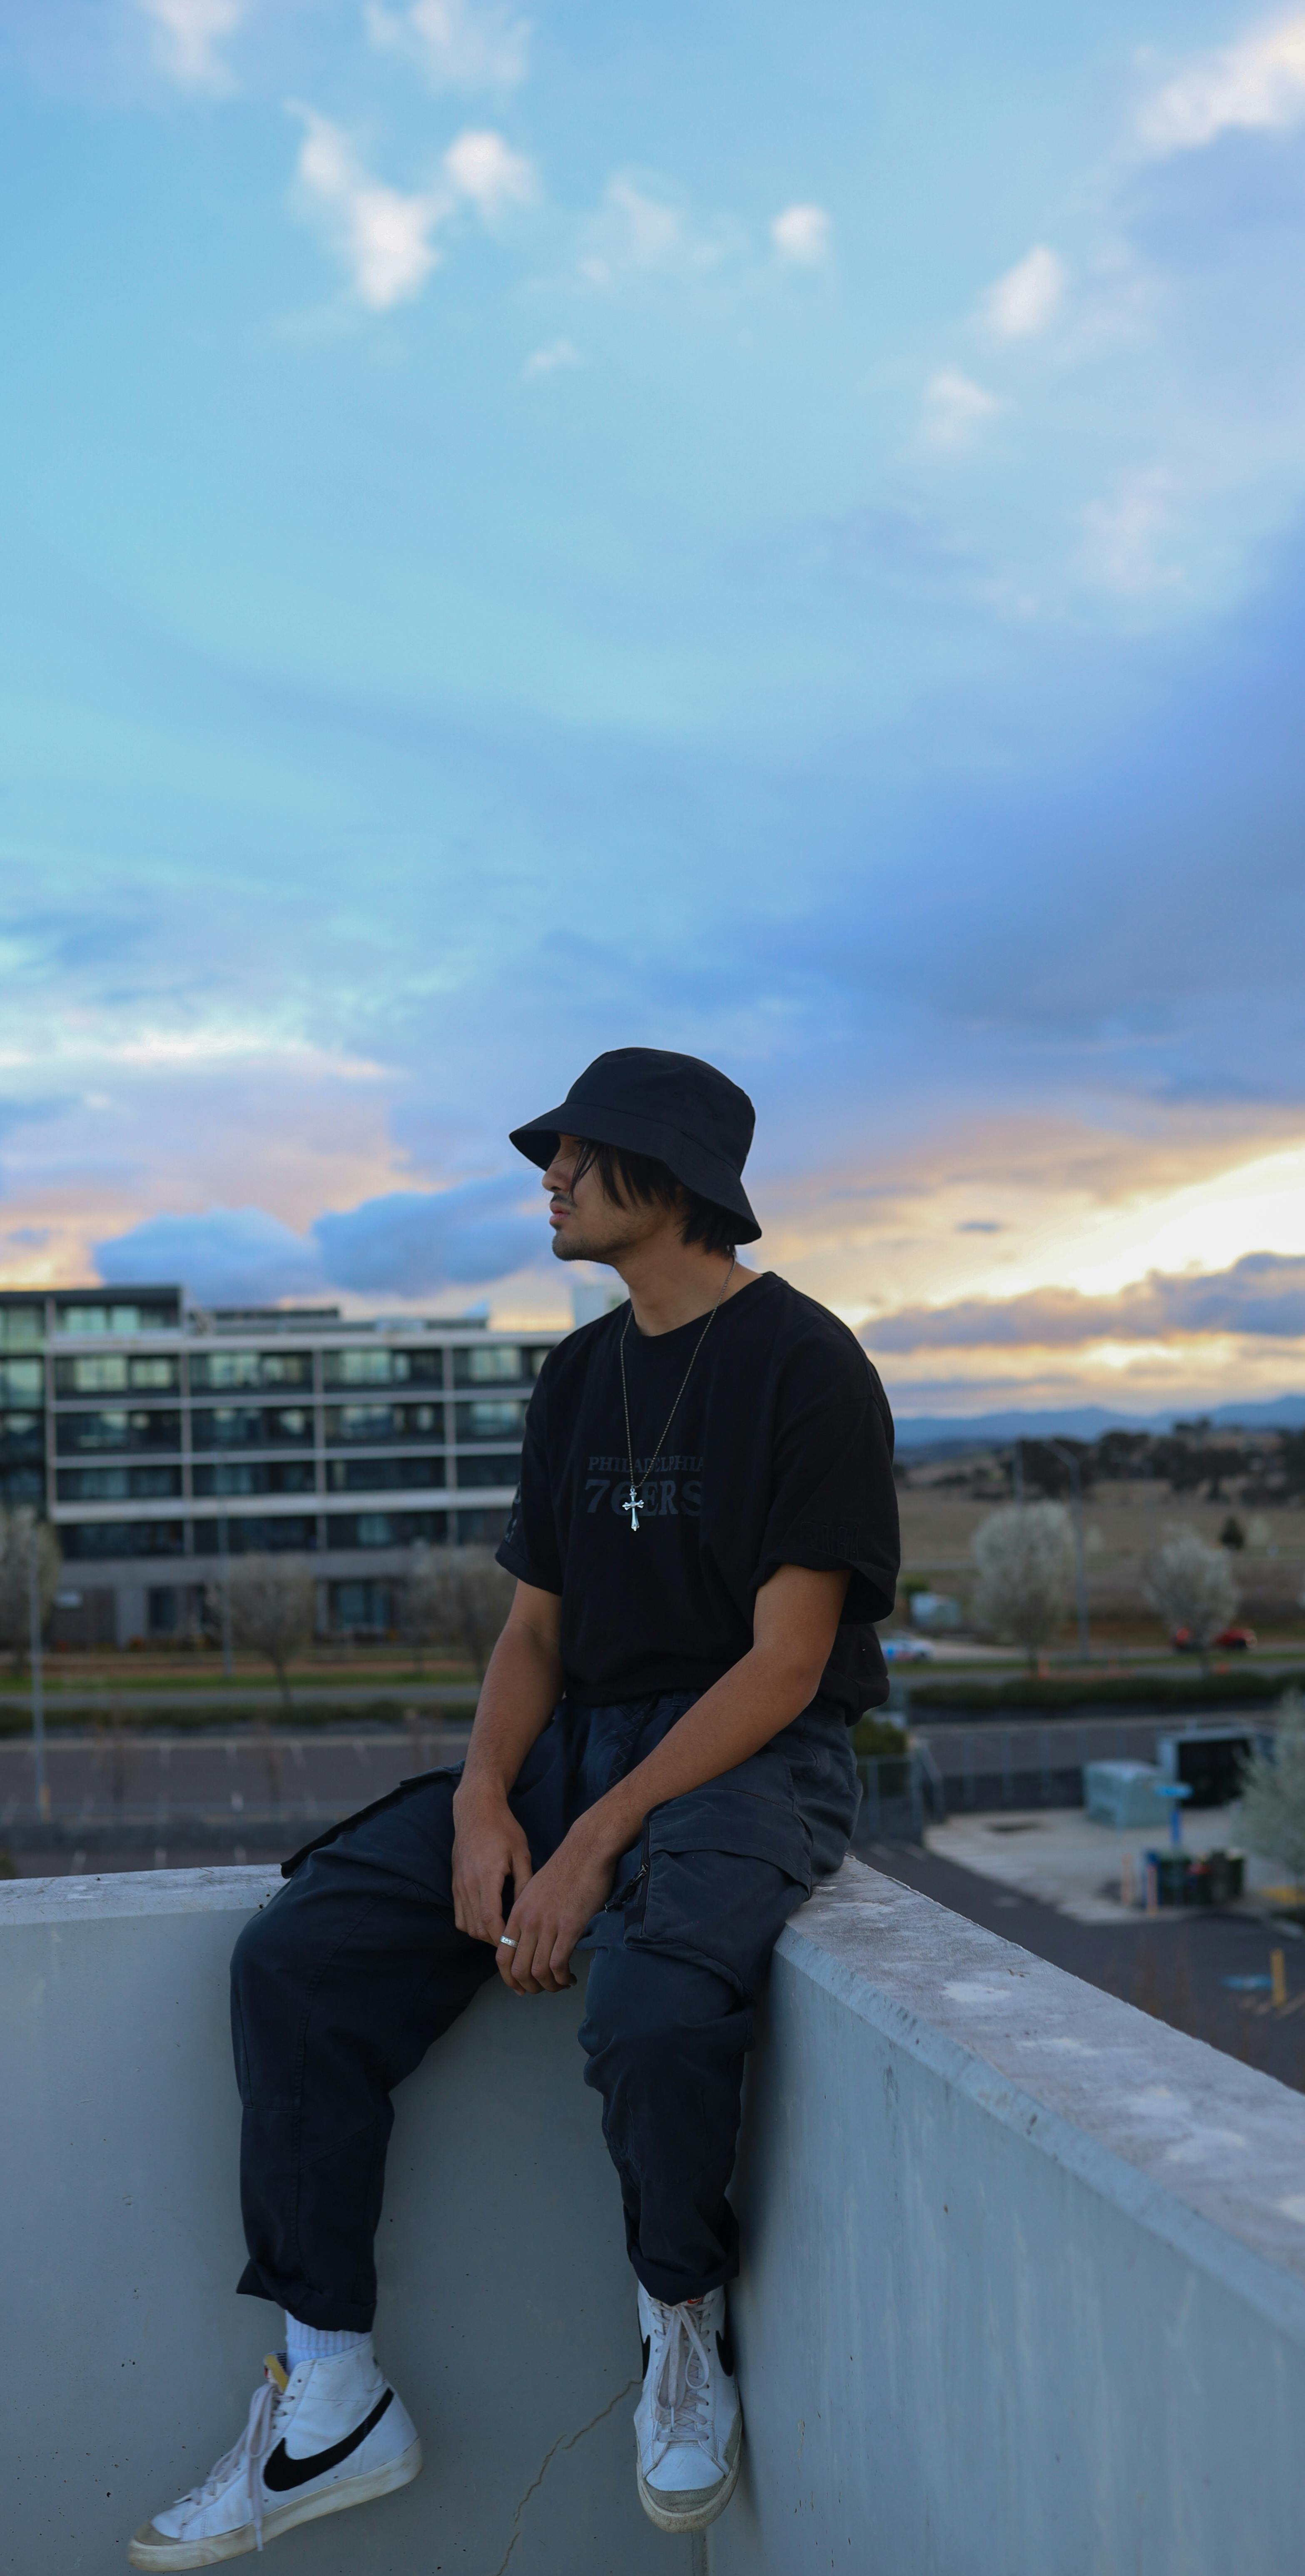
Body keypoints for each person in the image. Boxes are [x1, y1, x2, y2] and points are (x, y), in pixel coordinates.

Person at [129, 1046, 899, 2568]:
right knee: (301, 1953)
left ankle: (679, 2327)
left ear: (665, 1175)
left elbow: (789, 1659)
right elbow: (535, 1630)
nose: (545, 1175)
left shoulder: (807, 1363)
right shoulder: (579, 1369)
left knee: (659, 2010)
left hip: (752, 1751)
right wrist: (489, 1802)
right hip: (575, 1746)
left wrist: (598, 1844)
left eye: (577, 1151)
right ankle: (332, 2392)